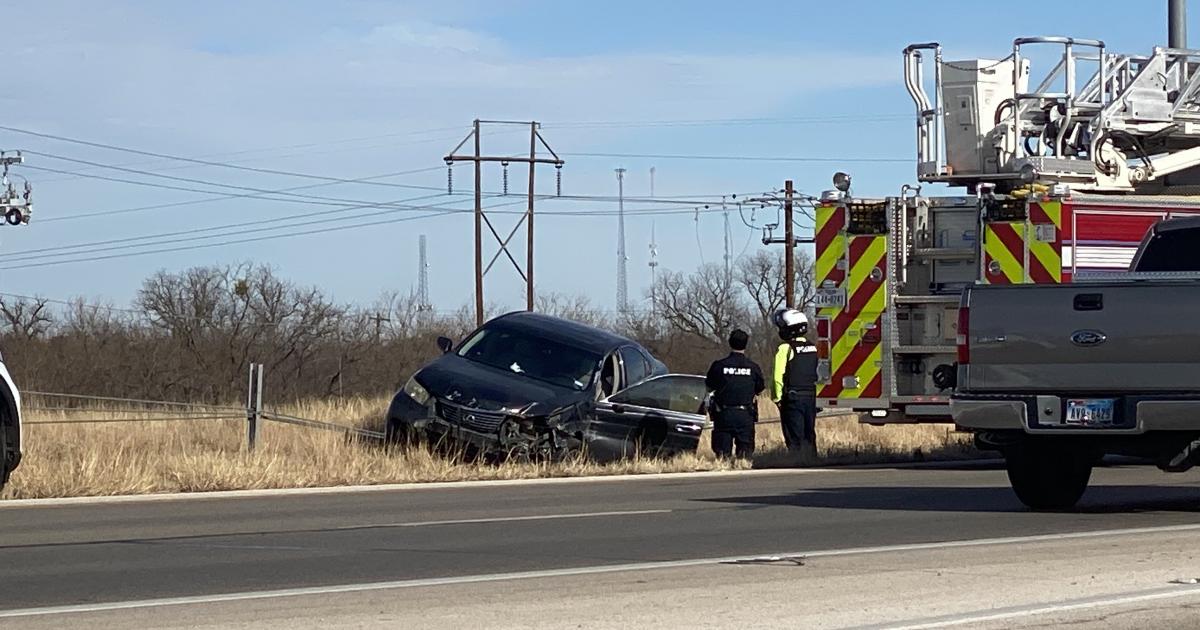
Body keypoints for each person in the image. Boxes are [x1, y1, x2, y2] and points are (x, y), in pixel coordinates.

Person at [705, 328, 765, 460]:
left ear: (730, 343)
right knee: (744, 458)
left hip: (723, 415)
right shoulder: (753, 367)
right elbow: (760, 390)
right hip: (745, 416)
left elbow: (709, 387)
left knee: (722, 457)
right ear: (746, 344)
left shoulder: (719, 366)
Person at [771, 308, 819, 460]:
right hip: (811, 396)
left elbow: (777, 377)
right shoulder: (813, 347)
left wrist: (777, 398)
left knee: (794, 434)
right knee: (809, 432)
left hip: (792, 398)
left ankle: (797, 460)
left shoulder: (785, 348)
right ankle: (812, 459)